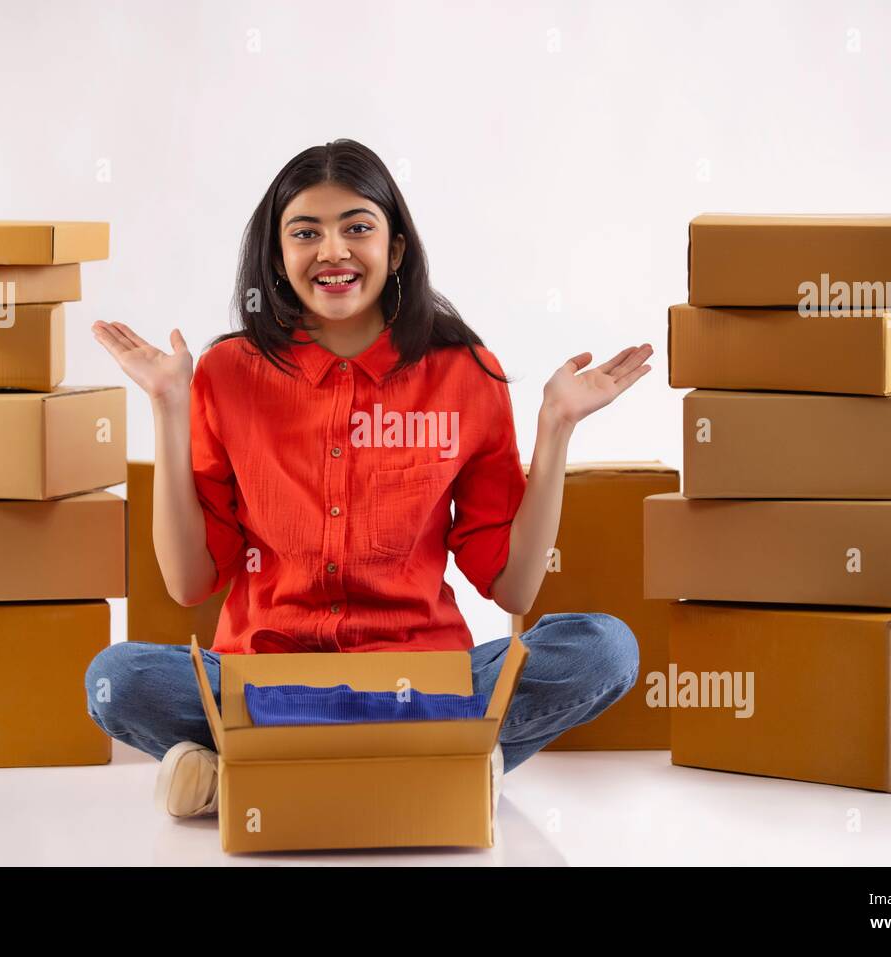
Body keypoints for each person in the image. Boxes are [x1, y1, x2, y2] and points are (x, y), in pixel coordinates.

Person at [86, 139, 654, 819]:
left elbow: (513, 584)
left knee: (604, 648)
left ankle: (253, 771)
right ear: (276, 256)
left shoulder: (465, 372)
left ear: (397, 249)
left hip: (421, 677)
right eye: (306, 232)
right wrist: (168, 406)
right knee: (117, 678)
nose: (333, 251)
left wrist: (556, 426)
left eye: (357, 227)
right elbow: (187, 582)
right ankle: (438, 765)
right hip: (265, 675)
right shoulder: (227, 373)